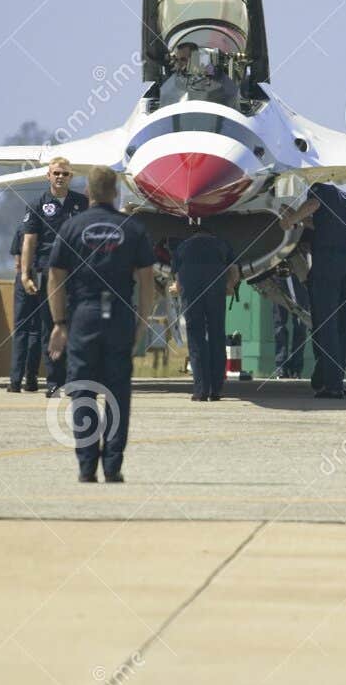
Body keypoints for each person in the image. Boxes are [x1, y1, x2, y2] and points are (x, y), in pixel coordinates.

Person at [46, 166, 157, 484]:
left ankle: (85, 466)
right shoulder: (132, 228)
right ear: (115, 192)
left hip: (84, 315)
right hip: (119, 314)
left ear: (89, 192)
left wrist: (59, 322)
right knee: (117, 392)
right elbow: (147, 278)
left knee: (82, 390)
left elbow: (55, 276)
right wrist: (142, 319)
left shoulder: (71, 227)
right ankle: (112, 466)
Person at [280, 182, 346, 398]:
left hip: (328, 263)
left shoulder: (320, 190)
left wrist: (290, 219)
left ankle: (333, 385)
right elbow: (323, 223)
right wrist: (298, 218)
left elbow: (313, 204)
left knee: (327, 324)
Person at [20, 158, 88, 397]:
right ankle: (54, 380)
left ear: (72, 177)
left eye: (65, 174)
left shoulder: (83, 203)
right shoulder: (37, 205)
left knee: (77, 325)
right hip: (49, 274)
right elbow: (29, 241)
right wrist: (25, 274)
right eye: (56, 173)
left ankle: (75, 378)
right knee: (50, 327)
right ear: (48, 176)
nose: (60, 177)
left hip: (78, 273)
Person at [171, 221, 239, 401]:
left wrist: (176, 288)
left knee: (196, 338)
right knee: (217, 334)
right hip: (215, 291)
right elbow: (234, 269)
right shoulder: (222, 244)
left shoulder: (182, 247)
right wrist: (230, 286)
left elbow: (177, 278)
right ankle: (216, 390)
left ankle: (201, 390)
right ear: (210, 232)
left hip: (191, 292)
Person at [7, 222, 41, 393]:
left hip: (24, 278)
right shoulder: (52, 226)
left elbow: (17, 261)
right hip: (44, 276)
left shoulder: (23, 228)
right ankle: (32, 378)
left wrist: (23, 277)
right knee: (37, 330)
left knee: (21, 329)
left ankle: (15, 381)